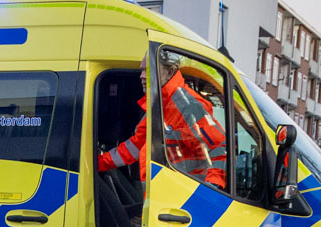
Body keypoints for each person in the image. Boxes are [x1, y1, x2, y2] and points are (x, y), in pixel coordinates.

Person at [96, 55, 228, 191]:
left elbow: (221, 147)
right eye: (142, 70)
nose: (141, 76)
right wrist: (96, 163)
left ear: (170, 72)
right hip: (165, 199)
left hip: (188, 201)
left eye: (148, 70)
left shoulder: (187, 106)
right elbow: (133, 148)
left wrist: (212, 189)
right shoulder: (158, 107)